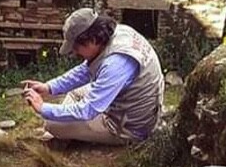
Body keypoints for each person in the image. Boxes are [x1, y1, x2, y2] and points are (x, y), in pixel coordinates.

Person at [22, 8, 164, 146]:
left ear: (92, 39)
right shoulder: (118, 33)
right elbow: (85, 70)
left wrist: (43, 108)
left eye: (76, 47)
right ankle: (68, 130)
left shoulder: (115, 63)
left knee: (51, 124)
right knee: (75, 93)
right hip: (131, 106)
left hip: (129, 127)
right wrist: (49, 87)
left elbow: (88, 110)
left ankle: (65, 133)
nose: (74, 52)